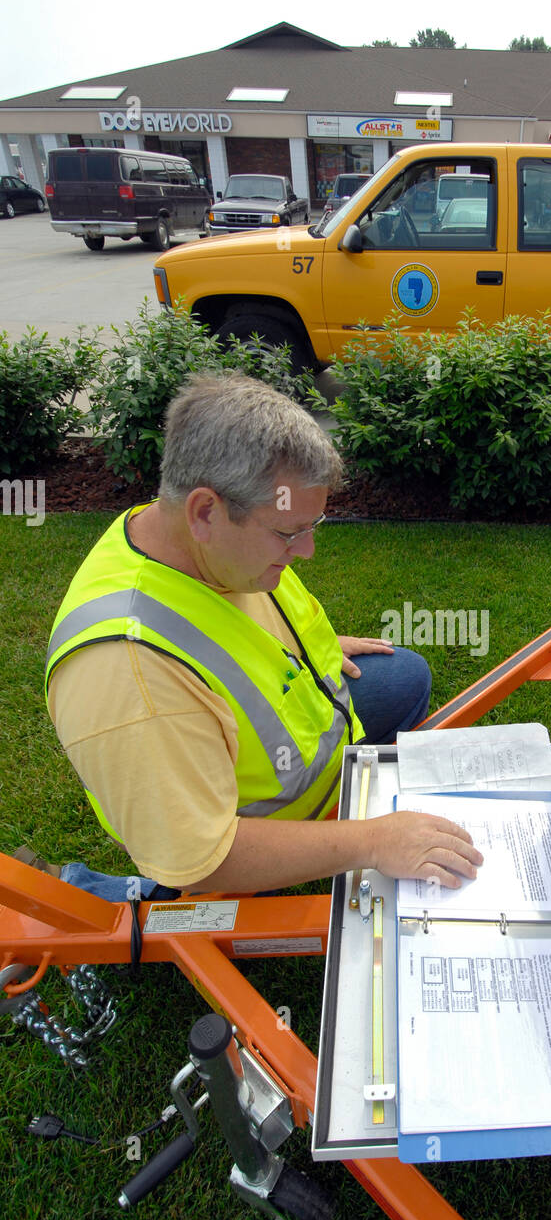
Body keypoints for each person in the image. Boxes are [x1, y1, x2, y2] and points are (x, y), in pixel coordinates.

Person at [40, 373, 481, 902]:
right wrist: (372, 840)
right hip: (240, 843)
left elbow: (216, 631)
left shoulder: (189, 541)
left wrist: (309, 648)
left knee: (403, 674)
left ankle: (342, 809)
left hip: (298, 756)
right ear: (205, 511)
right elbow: (202, 863)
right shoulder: (128, 676)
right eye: (289, 532)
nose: (308, 550)